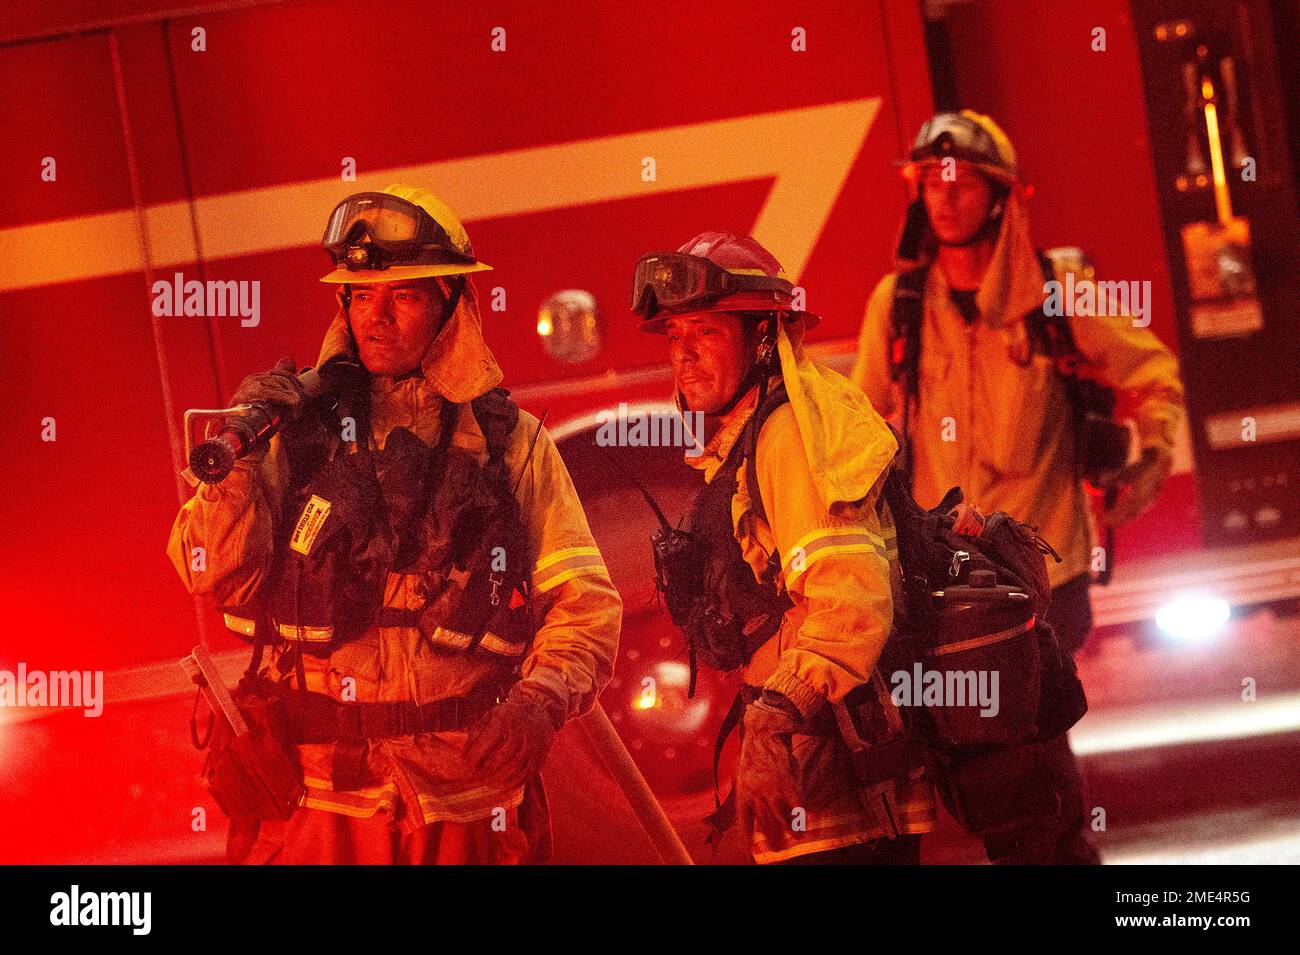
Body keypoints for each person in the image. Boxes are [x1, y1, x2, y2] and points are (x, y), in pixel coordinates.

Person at [168, 184, 621, 864]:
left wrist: (540, 698)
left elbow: (587, 605)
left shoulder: (510, 443)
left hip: (464, 798)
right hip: (321, 801)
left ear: (450, 307)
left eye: (403, 295)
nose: (375, 317)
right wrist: (233, 468)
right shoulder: (292, 436)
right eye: (359, 294)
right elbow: (210, 573)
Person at [851, 111, 1186, 863]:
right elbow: (860, 430)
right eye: (930, 181)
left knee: (1020, 747)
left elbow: (1154, 374)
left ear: (1001, 197)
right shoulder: (898, 307)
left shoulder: (1060, 297)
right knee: (986, 757)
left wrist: (1146, 464)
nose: (943, 196)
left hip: (1044, 577)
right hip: (947, 587)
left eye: (962, 181)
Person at [632, 232, 936, 864]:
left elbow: (850, 601)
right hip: (819, 764)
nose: (683, 356)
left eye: (707, 333)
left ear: (763, 338)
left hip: (839, 776)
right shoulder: (756, 433)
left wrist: (772, 721)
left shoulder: (788, 437)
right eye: (673, 336)